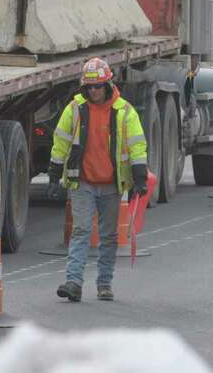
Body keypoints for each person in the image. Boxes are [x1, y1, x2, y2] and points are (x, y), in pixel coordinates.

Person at [49, 58, 147, 302]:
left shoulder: (125, 111)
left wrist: (140, 177)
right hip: (82, 182)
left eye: (98, 86)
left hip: (112, 185)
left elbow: (137, 146)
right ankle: (73, 283)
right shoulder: (75, 109)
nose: (93, 91)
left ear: (107, 85)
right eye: (89, 87)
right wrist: (54, 173)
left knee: (109, 236)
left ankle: (104, 283)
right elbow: (60, 141)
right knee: (81, 230)